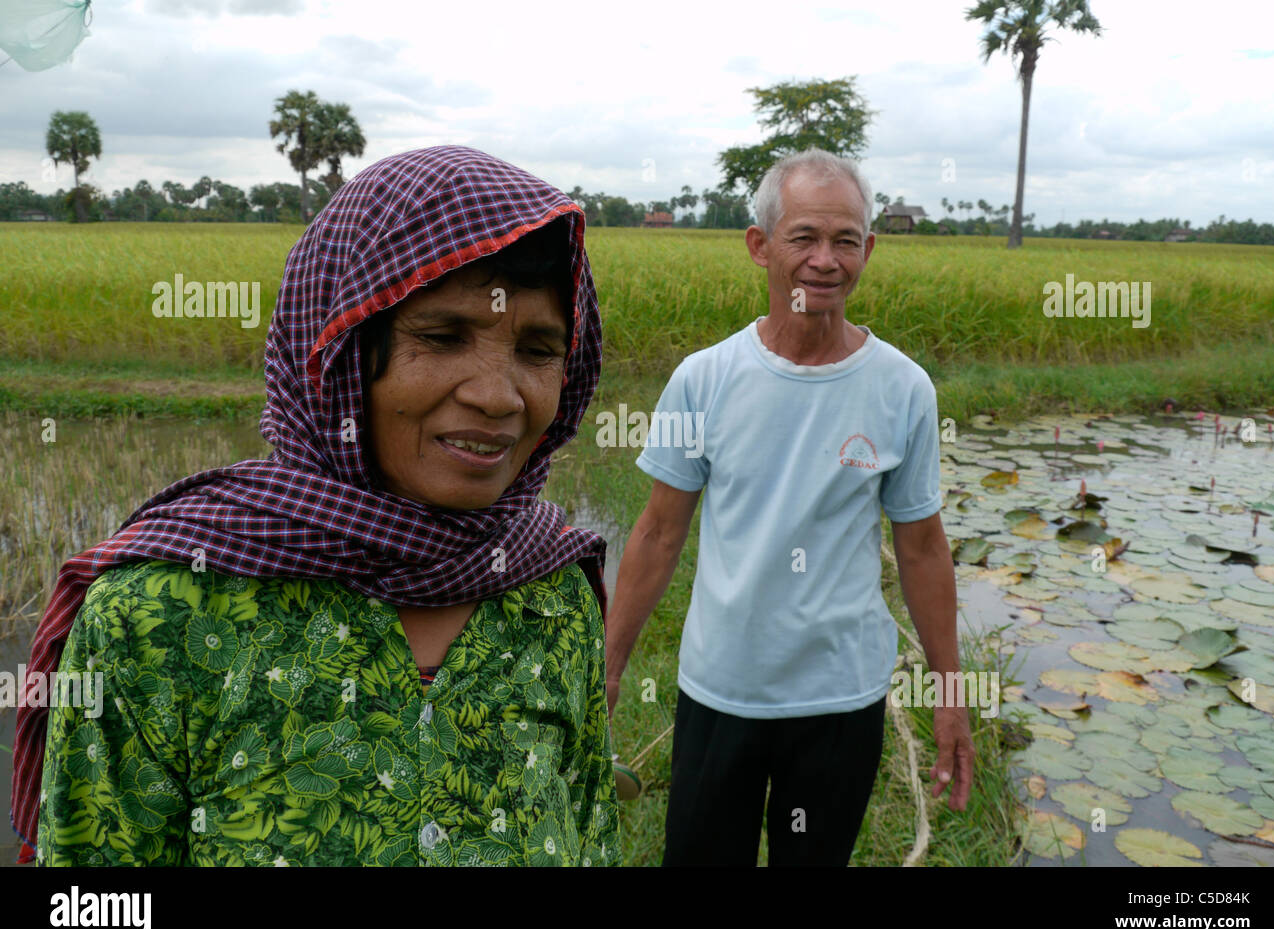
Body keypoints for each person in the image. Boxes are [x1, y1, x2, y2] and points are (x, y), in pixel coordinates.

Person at [10, 145, 621, 867]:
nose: (497, 395)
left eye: (538, 349)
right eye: (441, 336)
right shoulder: (158, 614)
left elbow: (590, 839)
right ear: (338, 353)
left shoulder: (554, 594)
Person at [604, 148, 973, 866]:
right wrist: (609, 666)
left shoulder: (902, 389)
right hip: (721, 689)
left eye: (845, 241)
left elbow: (923, 548)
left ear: (868, 249)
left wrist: (950, 691)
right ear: (760, 246)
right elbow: (656, 531)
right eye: (804, 237)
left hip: (840, 700)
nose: (824, 261)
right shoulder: (703, 380)